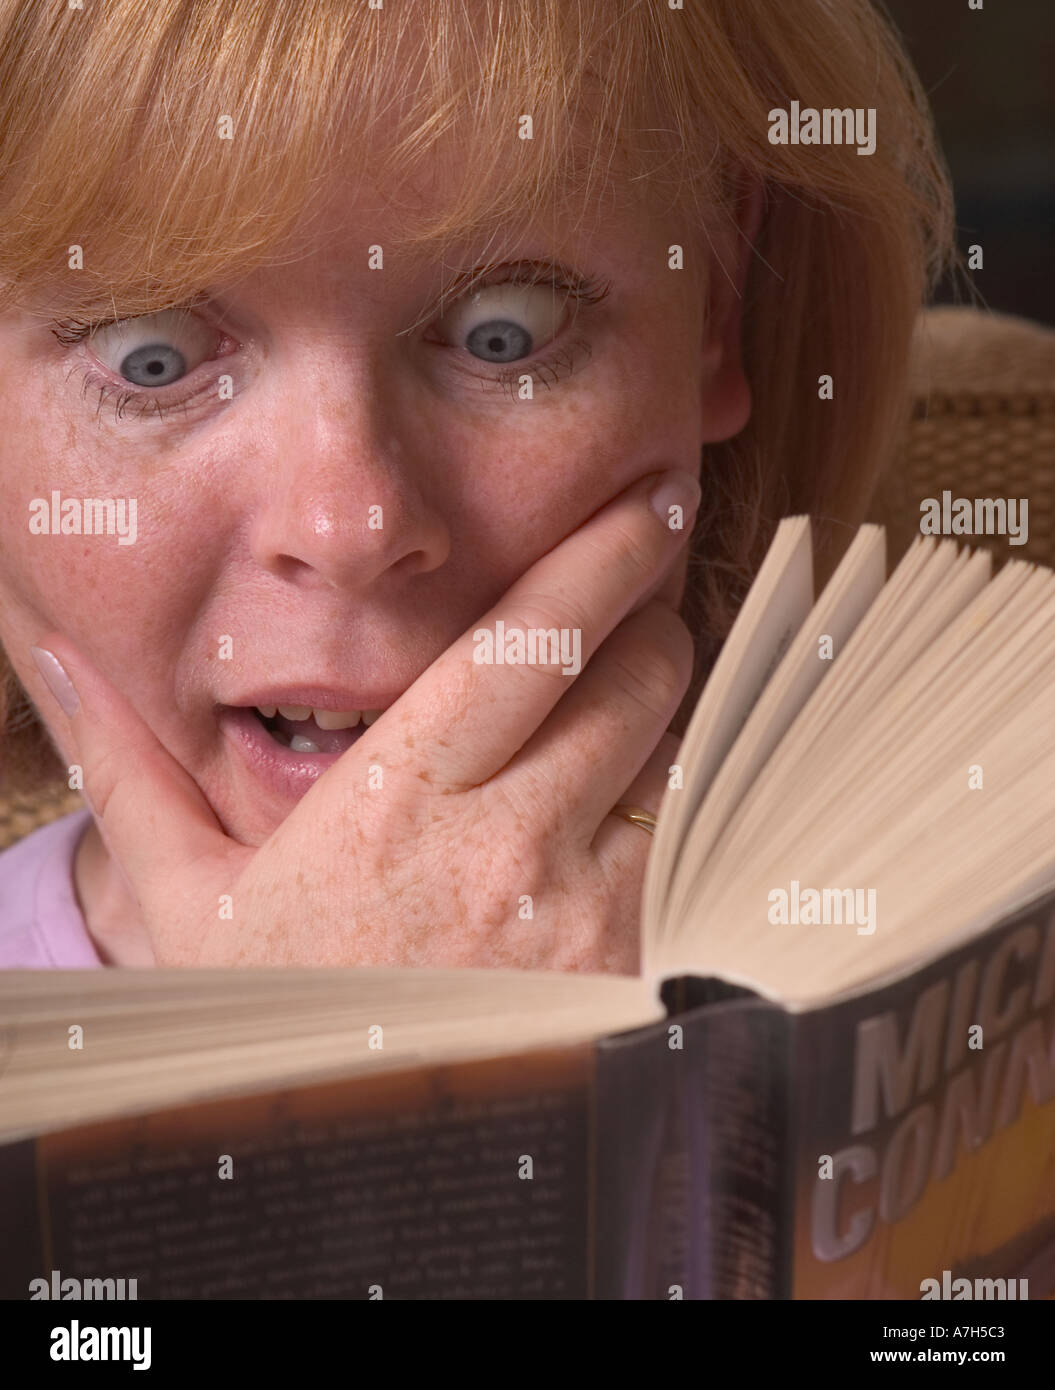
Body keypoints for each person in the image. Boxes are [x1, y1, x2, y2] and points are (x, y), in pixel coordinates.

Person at [0, 0, 953, 967]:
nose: (351, 525)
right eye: (151, 357)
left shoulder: (967, 902)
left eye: (509, 333)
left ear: (719, 294)